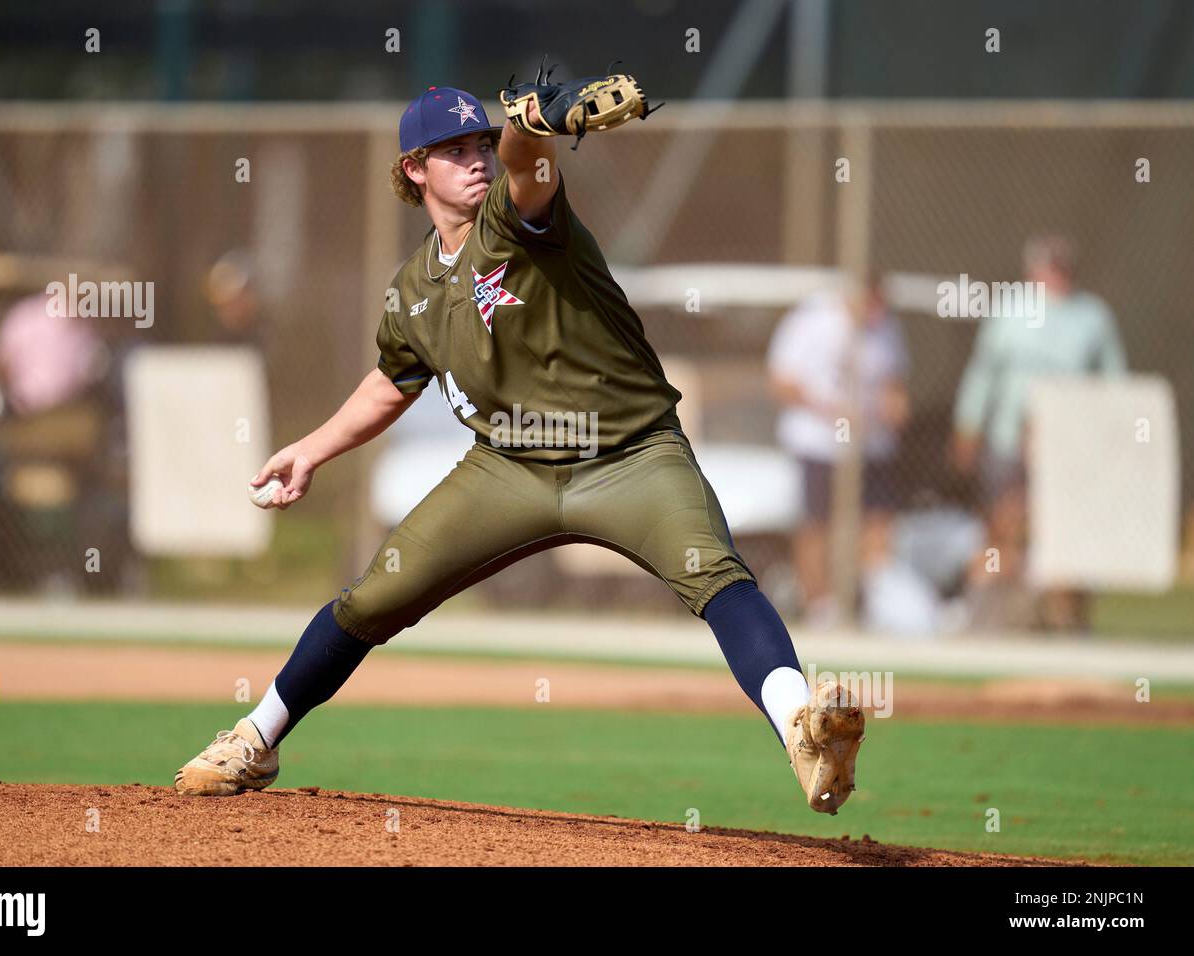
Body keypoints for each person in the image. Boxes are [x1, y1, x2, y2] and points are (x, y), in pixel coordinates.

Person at [174, 76, 866, 815]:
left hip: (630, 454)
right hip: (509, 467)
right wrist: (310, 449)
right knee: (373, 596)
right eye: (452, 150)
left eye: (479, 143)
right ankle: (256, 738)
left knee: (720, 580)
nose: (474, 159)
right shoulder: (412, 289)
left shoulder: (516, 218)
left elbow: (528, 164)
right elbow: (391, 383)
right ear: (414, 168)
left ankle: (802, 731)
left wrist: (535, 120)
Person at [950, 234, 1127, 629]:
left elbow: (1113, 382)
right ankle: (996, 618)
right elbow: (984, 374)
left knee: (1067, 533)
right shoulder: (1012, 311)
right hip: (1009, 439)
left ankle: (1068, 622)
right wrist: (969, 424)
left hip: (1069, 444)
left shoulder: (1091, 317)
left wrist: (1108, 435)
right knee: (1004, 524)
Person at [766, 277, 910, 627]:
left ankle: (880, 604)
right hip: (819, 442)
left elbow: (894, 383)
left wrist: (893, 405)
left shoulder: (886, 327)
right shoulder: (813, 319)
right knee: (817, 524)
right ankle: (821, 607)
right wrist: (831, 410)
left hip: (870, 446)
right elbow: (781, 381)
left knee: (877, 522)